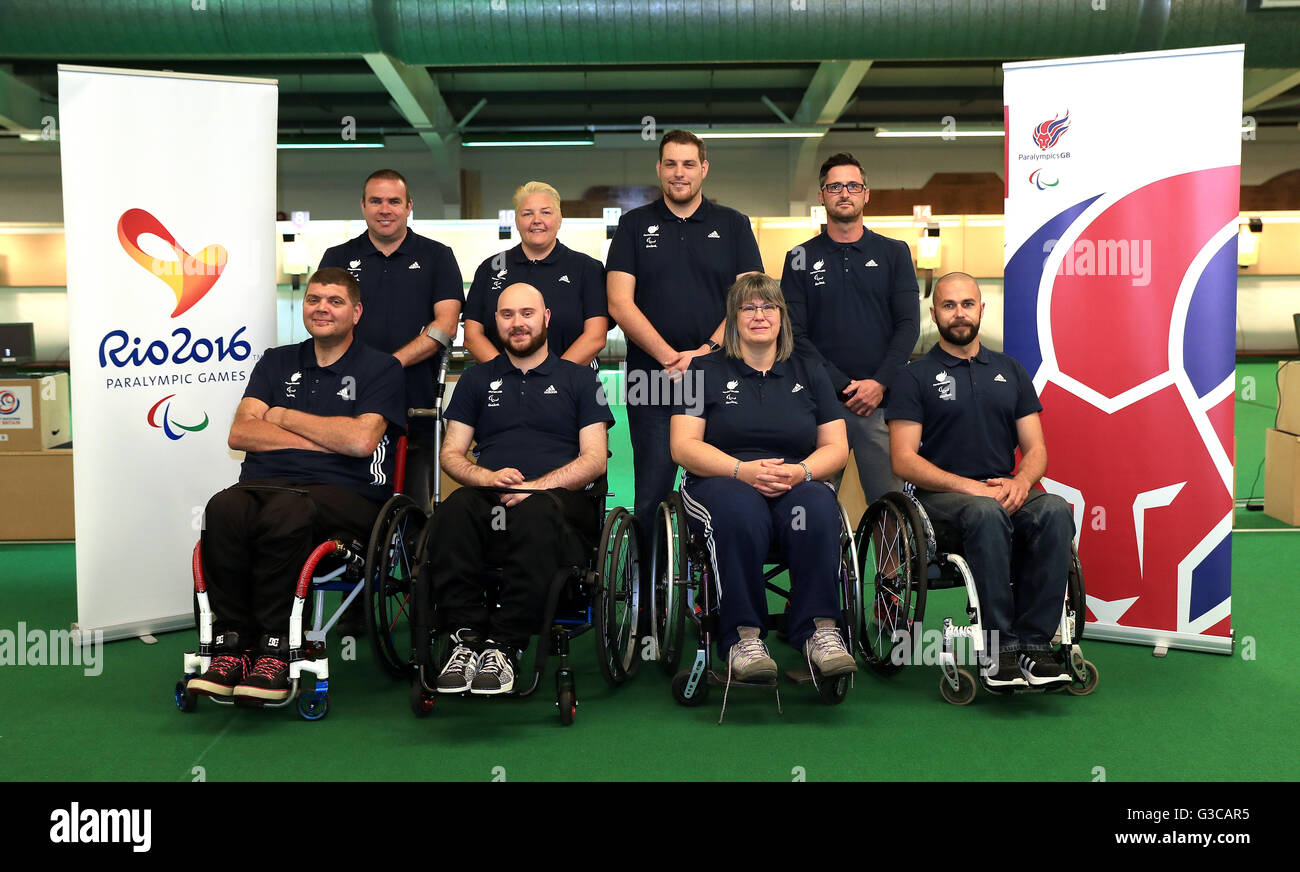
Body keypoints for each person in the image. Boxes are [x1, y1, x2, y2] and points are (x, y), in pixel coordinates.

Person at [187, 267, 406, 704]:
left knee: (285, 513)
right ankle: (232, 643)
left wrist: (283, 416)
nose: (322, 307)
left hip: (349, 495)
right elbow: (240, 434)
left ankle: (275, 648)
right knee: (222, 508)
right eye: (314, 299)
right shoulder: (276, 361)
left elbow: (362, 442)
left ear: (356, 312)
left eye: (335, 301)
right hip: (265, 484)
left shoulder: (381, 368)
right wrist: (330, 437)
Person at [885, 272, 1073, 688]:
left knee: (1055, 510)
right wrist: (969, 486)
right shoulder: (912, 377)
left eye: (967, 304)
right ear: (934, 315)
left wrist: (1022, 483)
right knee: (986, 512)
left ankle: (1035, 647)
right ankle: (1000, 649)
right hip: (939, 500)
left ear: (981, 309)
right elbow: (903, 460)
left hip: (1005, 491)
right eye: (949, 306)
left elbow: (1036, 449)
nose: (959, 314)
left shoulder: (1010, 370)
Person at [427, 282, 614, 695]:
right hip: (491, 495)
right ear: (495, 322)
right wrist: (486, 478)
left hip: (560, 505)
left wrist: (534, 487)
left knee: (535, 510)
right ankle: (465, 638)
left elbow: (594, 459)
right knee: (454, 509)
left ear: (546, 318)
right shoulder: (476, 380)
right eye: (507, 315)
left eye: (527, 314)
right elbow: (452, 454)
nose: (518, 323)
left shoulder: (581, 379)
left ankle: (506, 645)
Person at [669, 273, 854, 685]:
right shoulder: (704, 369)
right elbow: (682, 446)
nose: (759, 315)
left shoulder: (809, 369)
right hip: (721, 478)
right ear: (733, 318)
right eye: (748, 307)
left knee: (820, 508)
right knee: (740, 511)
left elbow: (836, 446)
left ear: (782, 316)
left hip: (793, 480)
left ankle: (819, 632)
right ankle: (743, 638)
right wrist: (742, 471)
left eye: (768, 306)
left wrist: (800, 471)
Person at [606, 129, 764, 550]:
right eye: (671, 164)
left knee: (722, 491)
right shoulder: (633, 225)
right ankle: (648, 602)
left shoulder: (733, 225)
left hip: (721, 376)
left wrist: (705, 353)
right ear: (659, 169)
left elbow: (749, 299)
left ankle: (711, 595)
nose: (680, 173)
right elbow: (620, 304)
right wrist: (669, 358)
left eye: (688, 164)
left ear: (704, 169)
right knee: (651, 495)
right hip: (650, 378)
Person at [319, 169, 464, 509]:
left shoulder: (437, 256)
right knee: (344, 503)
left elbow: (446, 325)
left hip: (416, 404)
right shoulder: (337, 258)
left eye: (394, 201)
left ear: (409, 206)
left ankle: (414, 560)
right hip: (346, 402)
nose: (385, 209)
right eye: (376, 201)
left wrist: (389, 365)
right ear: (363, 206)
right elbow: (323, 321)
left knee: (413, 507)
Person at [781, 152, 920, 506]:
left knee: (891, 509)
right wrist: (842, 385)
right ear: (821, 196)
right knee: (814, 508)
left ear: (866, 194)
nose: (845, 193)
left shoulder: (894, 253)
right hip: (819, 404)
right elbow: (794, 333)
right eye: (835, 186)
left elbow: (908, 325)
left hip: (882, 405)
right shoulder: (799, 257)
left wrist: (879, 383)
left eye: (853, 185)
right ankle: (831, 565)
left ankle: (892, 566)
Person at [463, 181, 608, 366]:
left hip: (571, 387)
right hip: (502, 388)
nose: (536, 220)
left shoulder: (587, 268)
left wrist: (553, 379)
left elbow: (595, 337)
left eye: (546, 212)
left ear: (560, 219)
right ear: (516, 221)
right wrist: (508, 376)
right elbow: (472, 336)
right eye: (527, 213)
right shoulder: (490, 269)